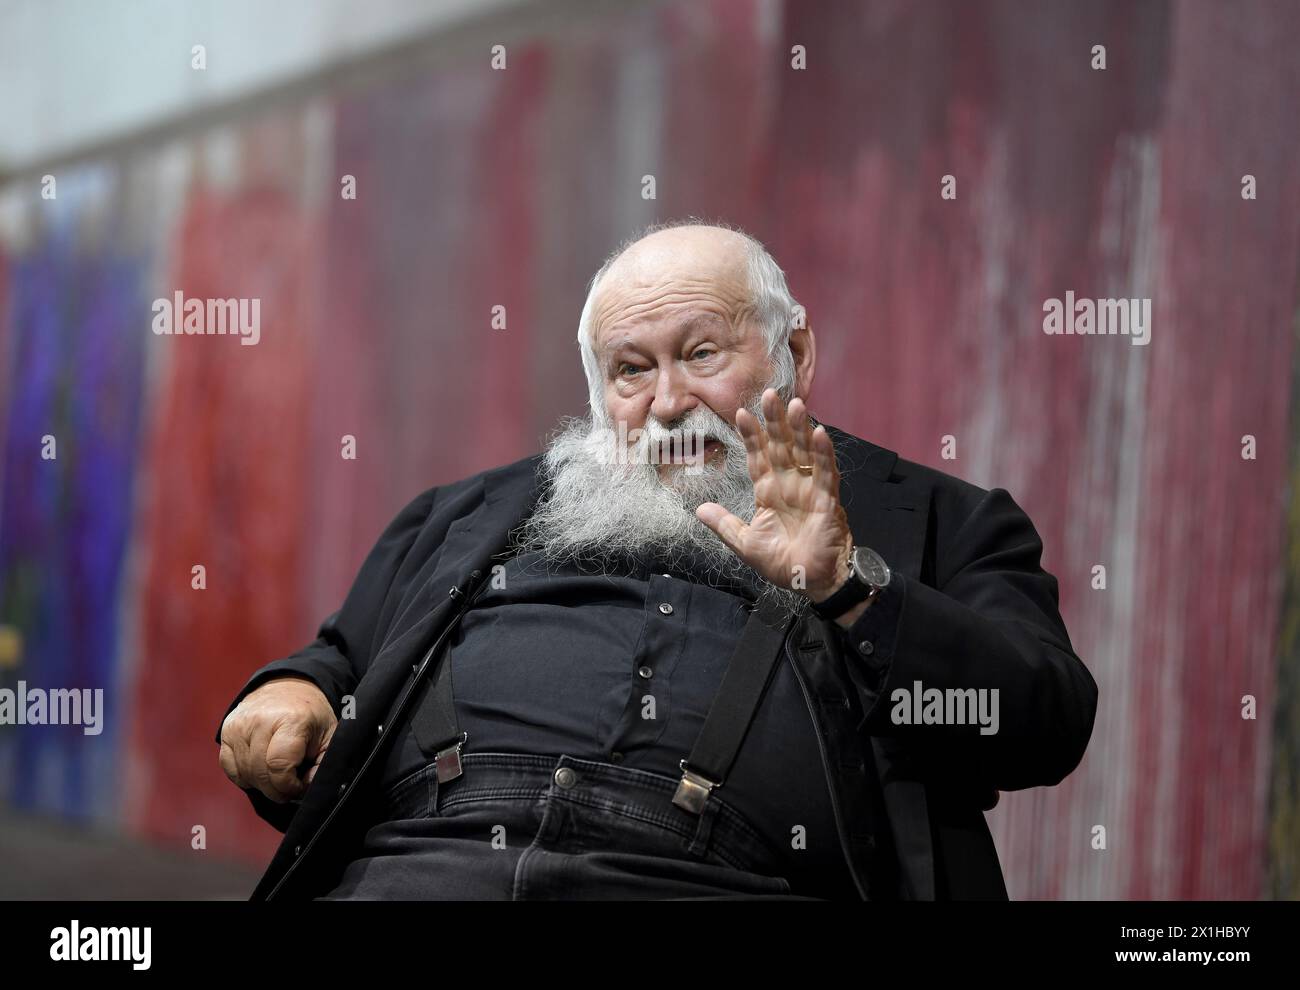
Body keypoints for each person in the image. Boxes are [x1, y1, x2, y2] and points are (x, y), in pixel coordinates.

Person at [216, 220, 1098, 900]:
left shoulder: (942, 520)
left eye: (702, 353)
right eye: (630, 371)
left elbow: (1042, 724)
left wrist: (849, 590)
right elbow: (340, 659)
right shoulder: (464, 514)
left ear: (795, 352)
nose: (669, 402)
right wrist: (286, 689)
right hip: (426, 867)